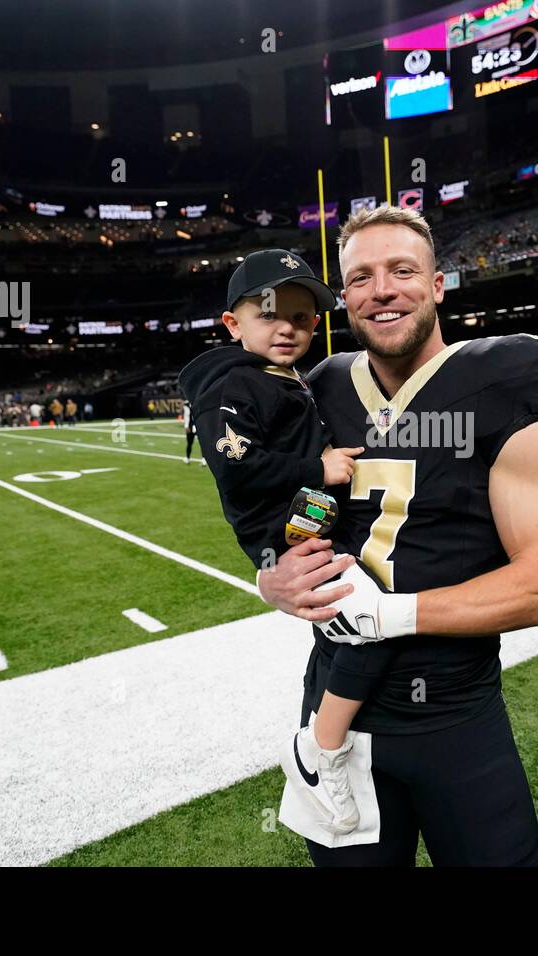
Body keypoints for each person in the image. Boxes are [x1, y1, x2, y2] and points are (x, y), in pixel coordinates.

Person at [256, 205, 538, 866]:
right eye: (361, 278)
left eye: (402, 271)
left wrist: (386, 615)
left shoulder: (502, 376)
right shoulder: (318, 390)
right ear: (344, 297)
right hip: (336, 713)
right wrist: (271, 576)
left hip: (454, 716)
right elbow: (291, 527)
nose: (382, 290)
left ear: (436, 285)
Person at [178, 250, 373, 834]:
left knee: (348, 626)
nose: (287, 327)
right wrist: (319, 468)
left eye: (302, 317)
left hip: (307, 521)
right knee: (365, 624)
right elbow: (235, 464)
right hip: (281, 532)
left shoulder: (277, 375)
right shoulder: (231, 383)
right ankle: (319, 751)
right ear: (233, 325)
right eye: (268, 315)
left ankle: (326, 735)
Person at [181, 399, 197, 463]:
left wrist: (186, 426)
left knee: (189, 443)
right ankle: (204, 459)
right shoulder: (197, 401)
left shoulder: (187, 405)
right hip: (198, 425)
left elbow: (187, 416)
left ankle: (187, 458)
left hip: (190, 426)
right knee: (202, 443)